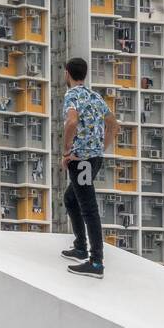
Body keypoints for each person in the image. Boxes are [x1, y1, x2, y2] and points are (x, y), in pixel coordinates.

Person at [61, 57, 117, 279]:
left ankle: (96, 262)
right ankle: (80, 247)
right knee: (71, 199)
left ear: (67, 73)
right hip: (94, 159)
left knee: (88, 208)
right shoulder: (95, 96)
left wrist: (66, 151)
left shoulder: (72, 96)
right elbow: (113, 124)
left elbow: (72, 122)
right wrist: (100, 147)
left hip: (81, 161)